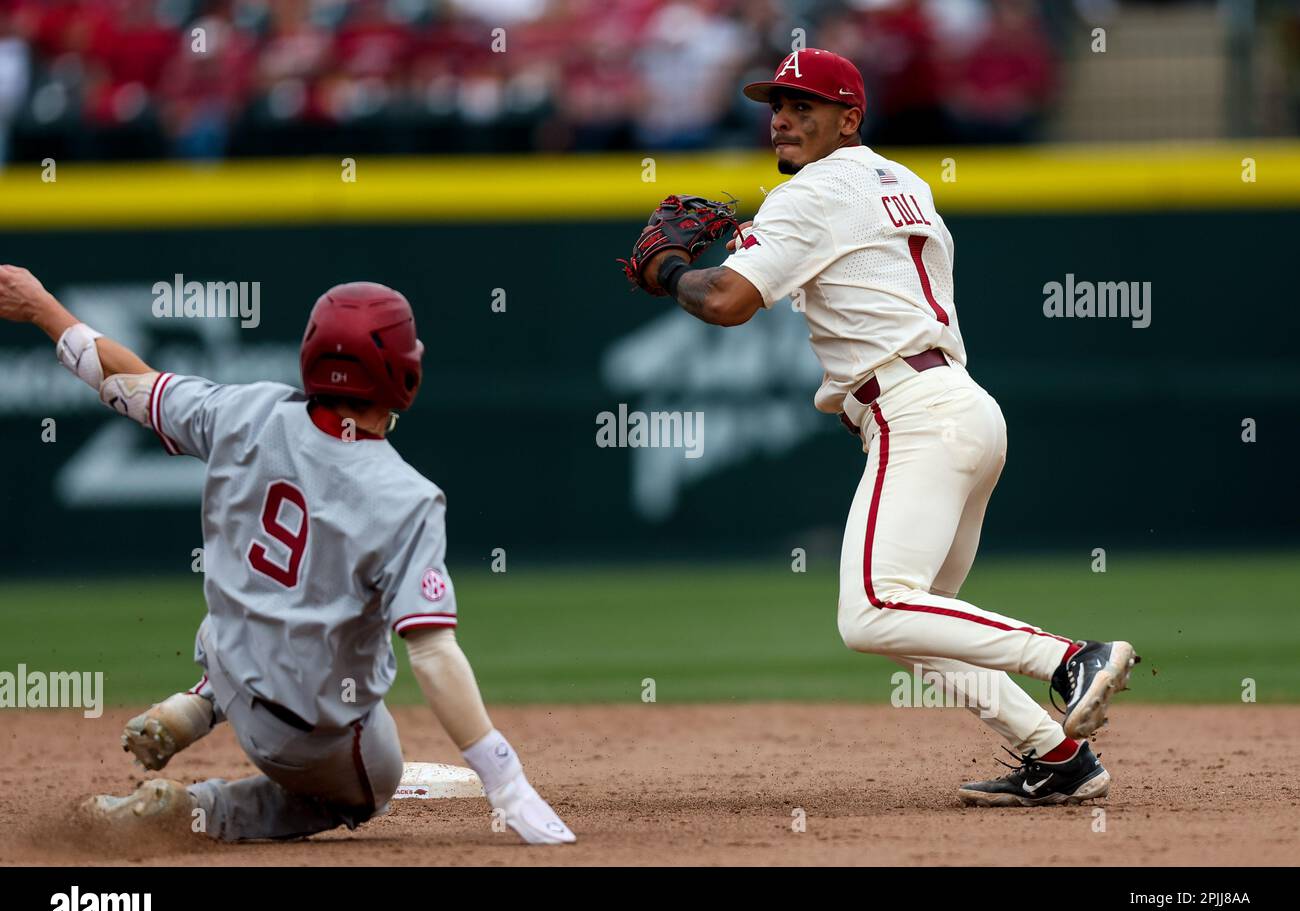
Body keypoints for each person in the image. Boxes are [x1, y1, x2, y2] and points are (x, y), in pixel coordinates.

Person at [626, 48, 1138, 806]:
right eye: (777, 105)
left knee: (872, 610)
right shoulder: (903, 182)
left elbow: (728, 301)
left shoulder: (811, 194)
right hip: (955, 406)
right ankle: (1057, 756)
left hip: (920, 414)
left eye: (805, 106)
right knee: (922, 625)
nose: (784, 119)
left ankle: (1070, 658)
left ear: (848, 117)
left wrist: (666, 268)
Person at [0, 265, 575, 842]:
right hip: (307, 738)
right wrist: (507, 784)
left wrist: (43, 309)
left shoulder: (241, 412)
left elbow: (127, 384)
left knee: (260, 606)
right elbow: (432, 652)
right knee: (375, 785)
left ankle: (195, 708)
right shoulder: (407, 497)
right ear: (404, 374)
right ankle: (203, 809)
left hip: (227, 665)